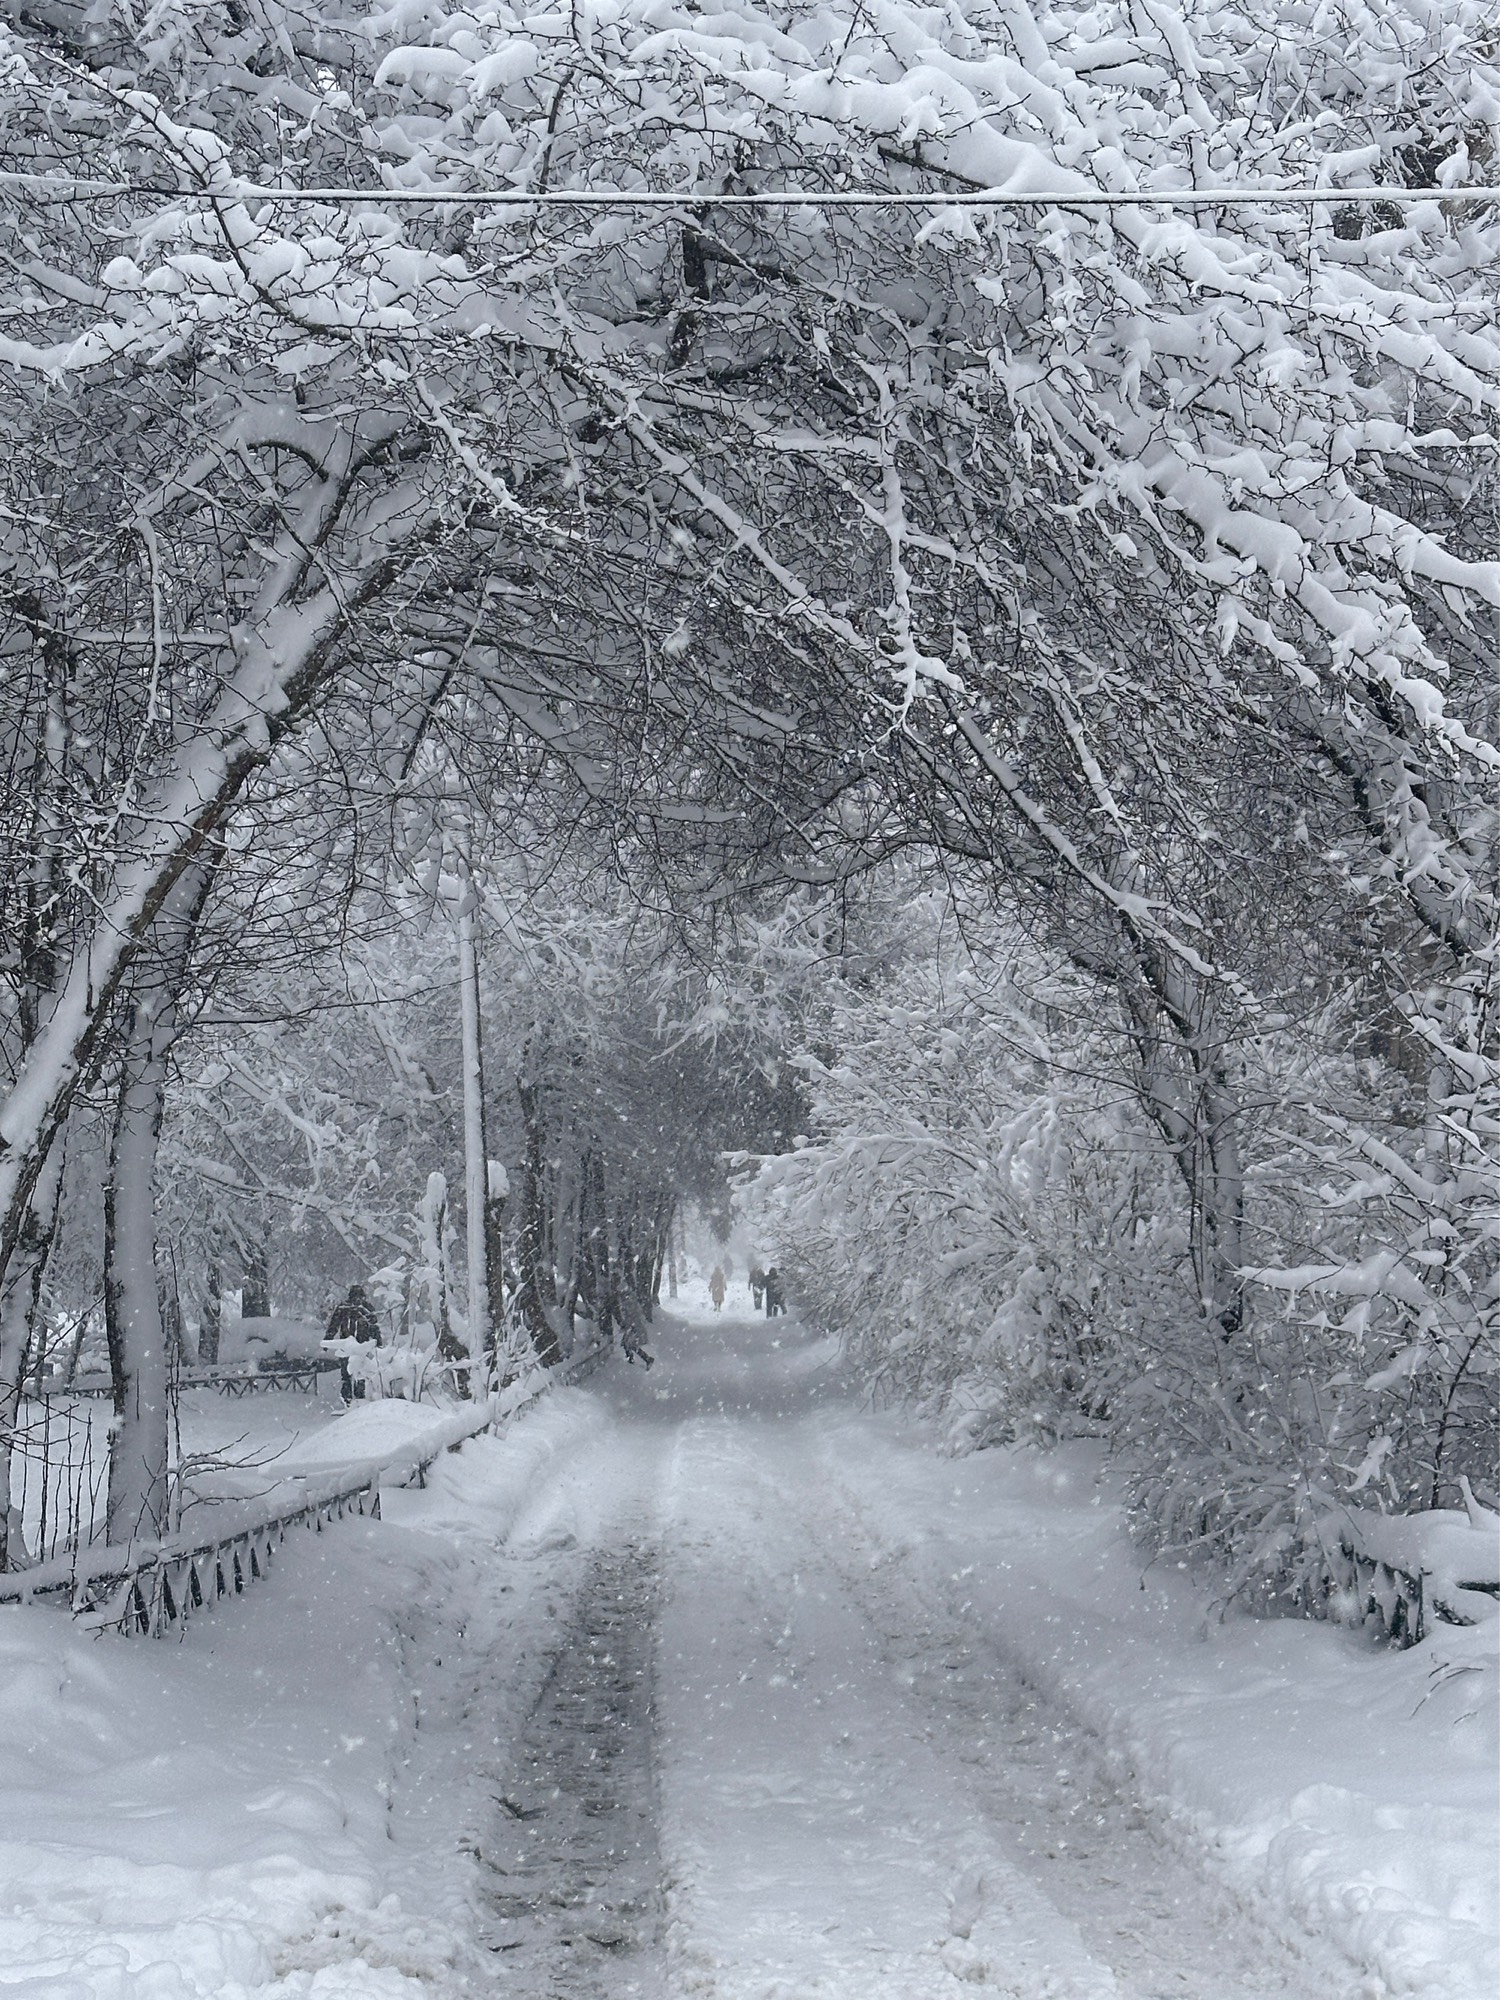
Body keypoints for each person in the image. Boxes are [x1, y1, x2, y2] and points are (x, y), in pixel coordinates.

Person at [325, 1283, 380, 1402]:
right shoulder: (344, 1309)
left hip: (360, 1346)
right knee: (347, 1373)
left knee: (358, 1373)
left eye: (359, 1297)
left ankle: (357, 1398)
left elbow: (374, 1326)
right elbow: (334, 1325)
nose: (357, 1300)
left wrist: (377, 1344)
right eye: (355, 1297)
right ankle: (349, 1399)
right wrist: (328, 1339)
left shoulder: (365, 1309)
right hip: (348, 1345)